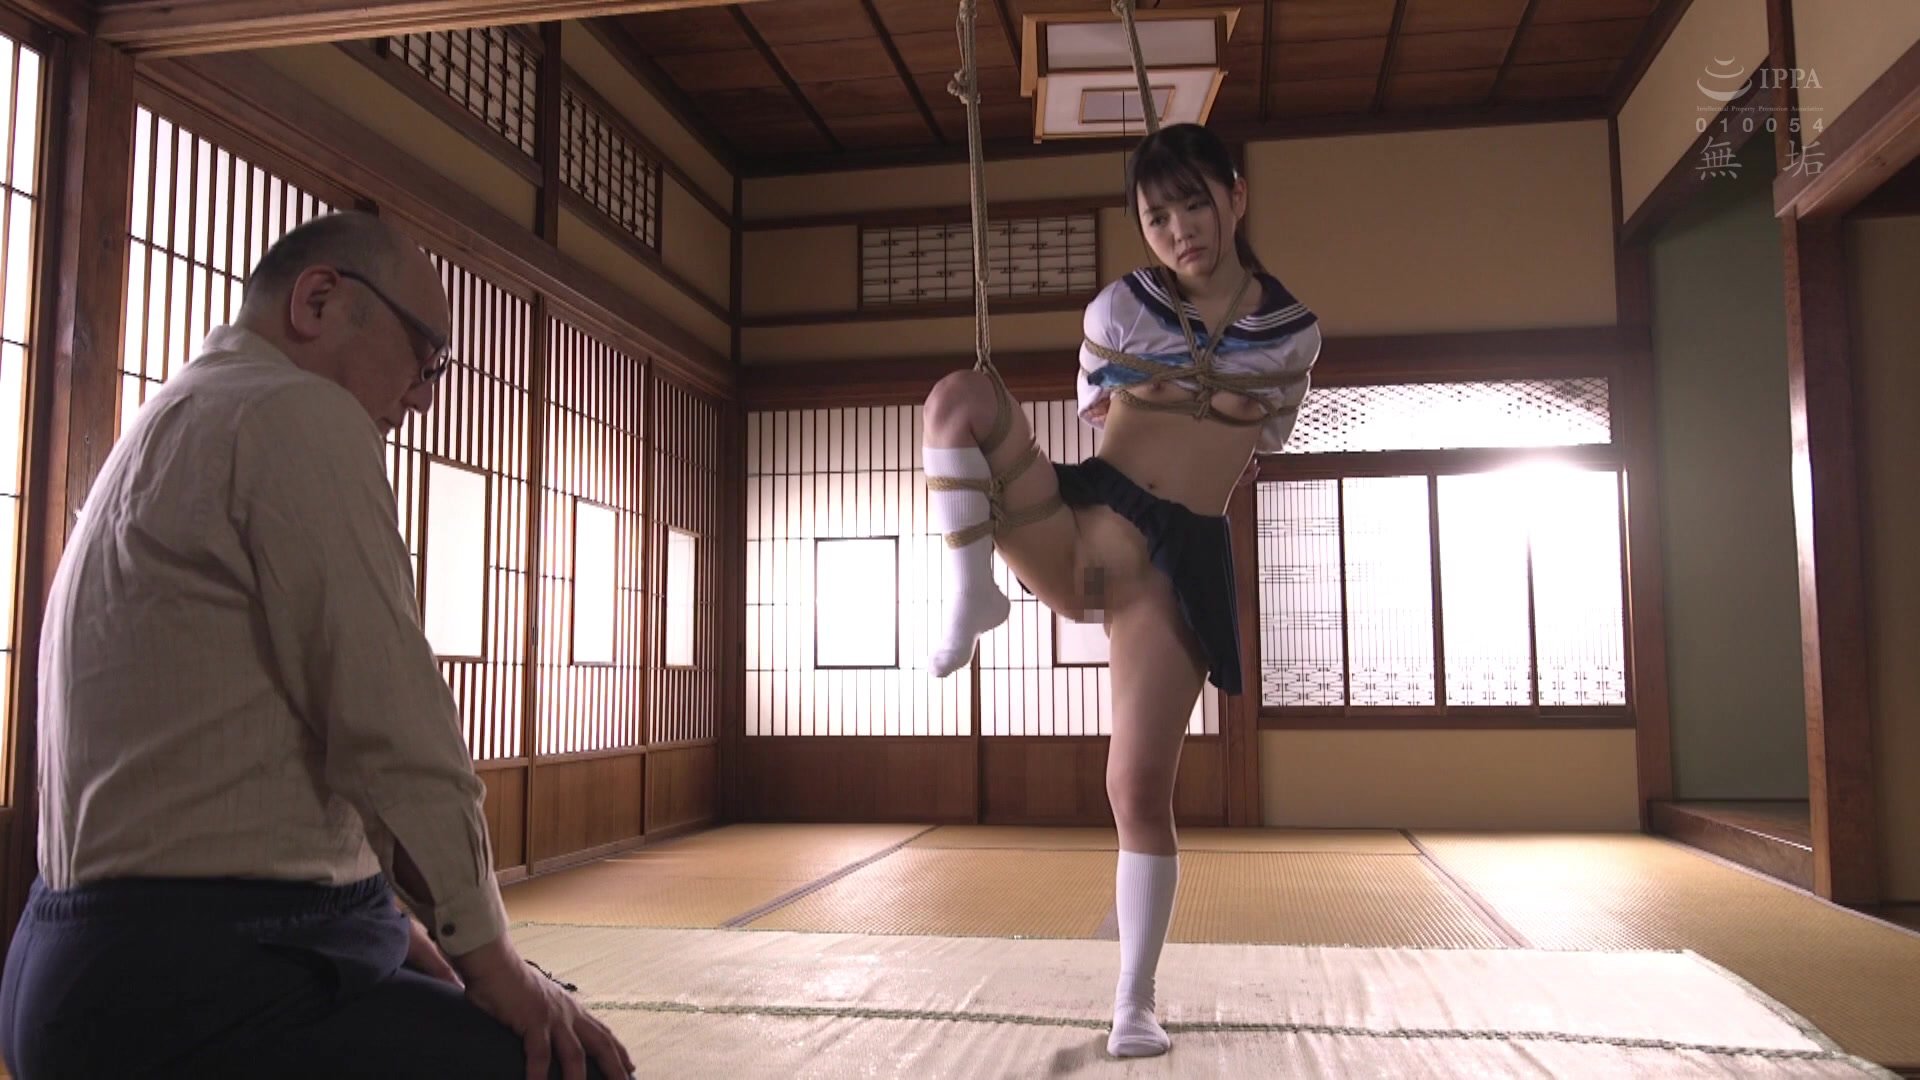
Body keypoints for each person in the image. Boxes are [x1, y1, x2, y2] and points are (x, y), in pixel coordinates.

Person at [0, 211, 633, 1079]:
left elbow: (251, 761)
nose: (424, 398)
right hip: (207, 975)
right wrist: (495, 967)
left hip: (74, 960)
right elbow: (397, 734)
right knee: (566, 1061)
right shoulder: (296, 412)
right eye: (424, 357)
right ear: (320, 300)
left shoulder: (176, 416)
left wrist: (390, 921)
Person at [920, 123, 1321, 1058]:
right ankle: (972, 591)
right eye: (1156, 216)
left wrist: (1208, 399)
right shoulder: (1121, 311)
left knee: (1137, 785)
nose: (1180, 230)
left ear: (1236, 195)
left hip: (1169, 574)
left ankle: (1135, 1002)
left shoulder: (1291, 335)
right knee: (958, 400)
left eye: (1194, 205)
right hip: (1078, 530)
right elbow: (1097, 407)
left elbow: (1265, 440)